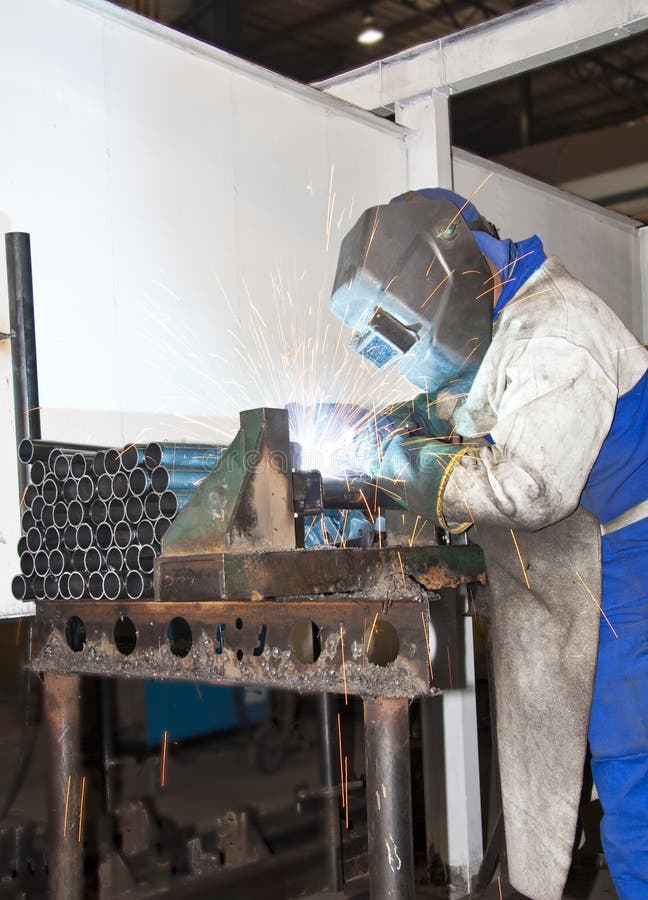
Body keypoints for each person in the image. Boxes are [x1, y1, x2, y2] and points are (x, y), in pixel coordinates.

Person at [330, 188, 648, 900]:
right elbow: (473, 404)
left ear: (446, 276)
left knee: (636, 771)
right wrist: (394, 421)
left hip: (636, 564)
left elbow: (529, 487)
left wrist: (406, 462)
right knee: (601, 760)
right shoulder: (510, 323)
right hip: (596, 560)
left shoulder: (555, 328)